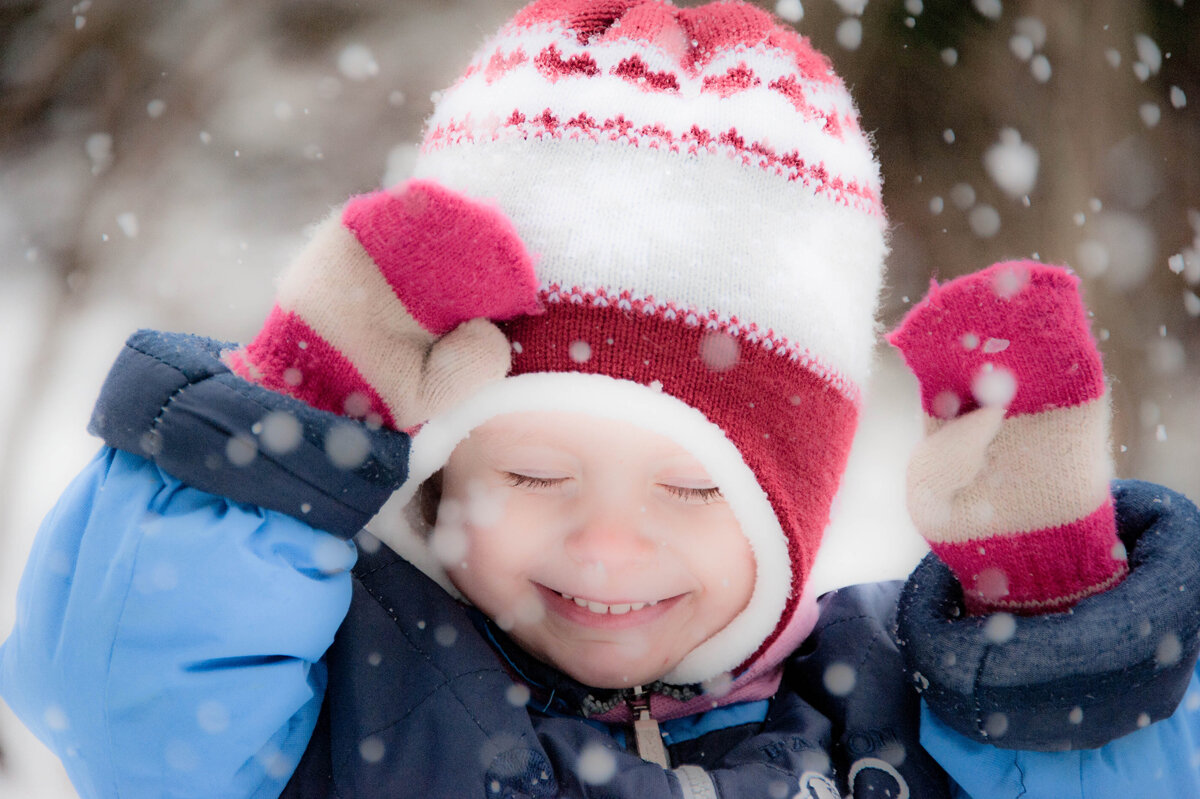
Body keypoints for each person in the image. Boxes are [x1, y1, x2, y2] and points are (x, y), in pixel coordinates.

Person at [3, 1, 1200, 797]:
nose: (611, 542)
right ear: (439, 466)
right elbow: (131, 711)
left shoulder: (882, 715)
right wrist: (294, 423)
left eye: (695, 485)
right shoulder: (337, 681)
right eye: (532, 474)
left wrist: (1050, 619)